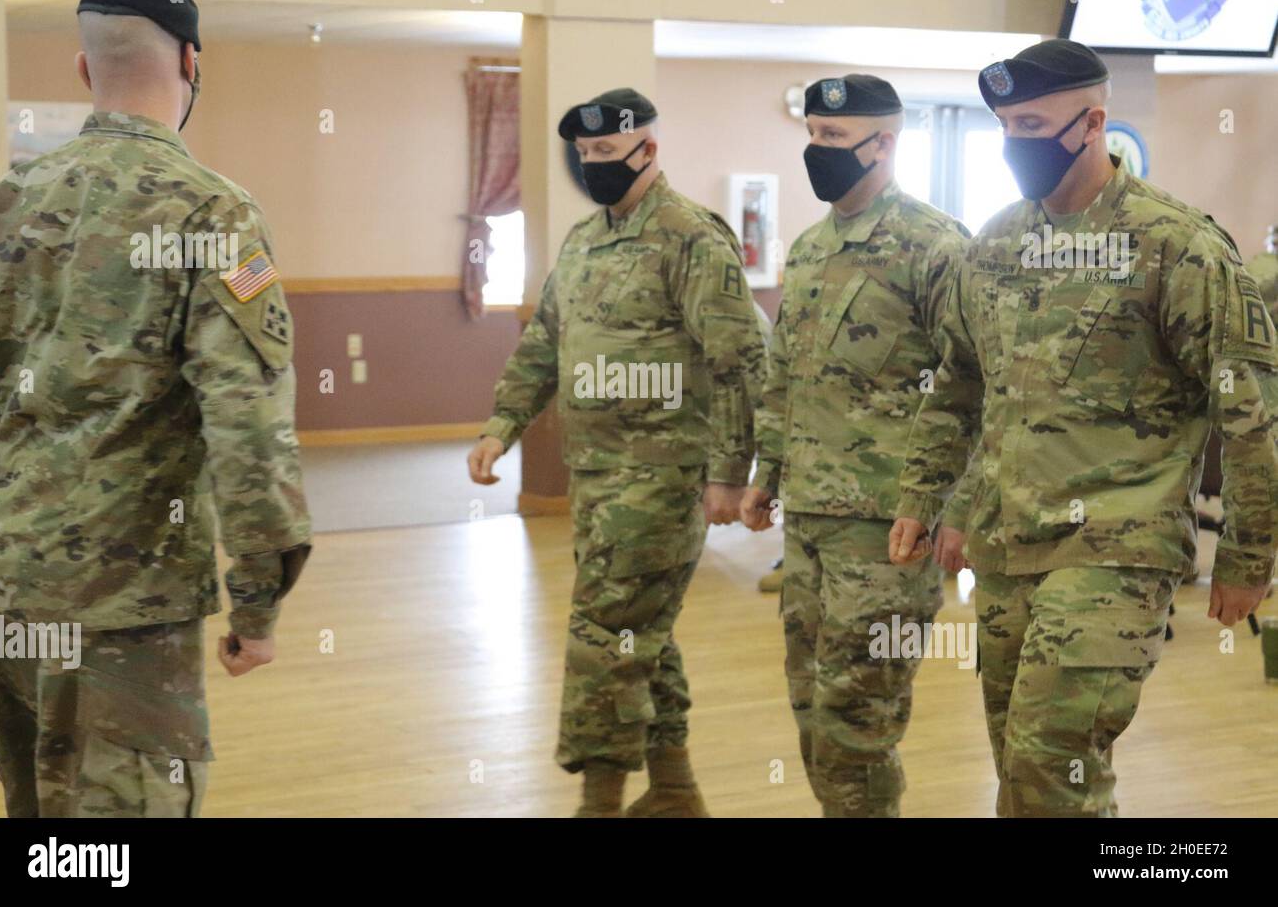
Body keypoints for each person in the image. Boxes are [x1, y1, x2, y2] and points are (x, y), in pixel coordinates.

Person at [889, 40, 1278, 816]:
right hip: (1008, 548)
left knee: (1049, 767)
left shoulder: (1176, 246)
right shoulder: (995, 244)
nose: (1013, 142)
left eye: (1032, 124)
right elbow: (964, 385)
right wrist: (927, 498)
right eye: (1005, 126)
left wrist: (1249, 554)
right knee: (1021, 770)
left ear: (1094, 123)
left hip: (1117, 550)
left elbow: (1251, 412)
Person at [0, 0, 311, 817]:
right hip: (124, 606)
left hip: (2, 592)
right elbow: (248, 423)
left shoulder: (3, 204)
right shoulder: (212, 214)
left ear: (83, 68)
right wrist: (258, 601)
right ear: (193, 62)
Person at [468, 88, 767, 817]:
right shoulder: (583, 240)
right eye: (584, 153)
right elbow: (544, 341)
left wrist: (730, 475)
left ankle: (598, 802)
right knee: (639, 631)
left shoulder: (691, 237)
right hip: (598, 476)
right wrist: (502, 424)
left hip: (663, 477)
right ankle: (674, 790)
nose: (592, 164)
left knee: (604, 633)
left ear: (648, 149)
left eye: (606, 151)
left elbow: (739, 359)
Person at [740, 74, 970, 816]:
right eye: (812, 134)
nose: (817, 148)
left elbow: (975, 387)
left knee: (859, 718)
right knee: (810, 705)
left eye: (834, 136)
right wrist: (767, 472)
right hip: (809, 516)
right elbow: (785, 375)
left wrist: (954, 508)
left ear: (884, 144)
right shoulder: (810, 249)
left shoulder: (935, 246)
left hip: (889, 529)